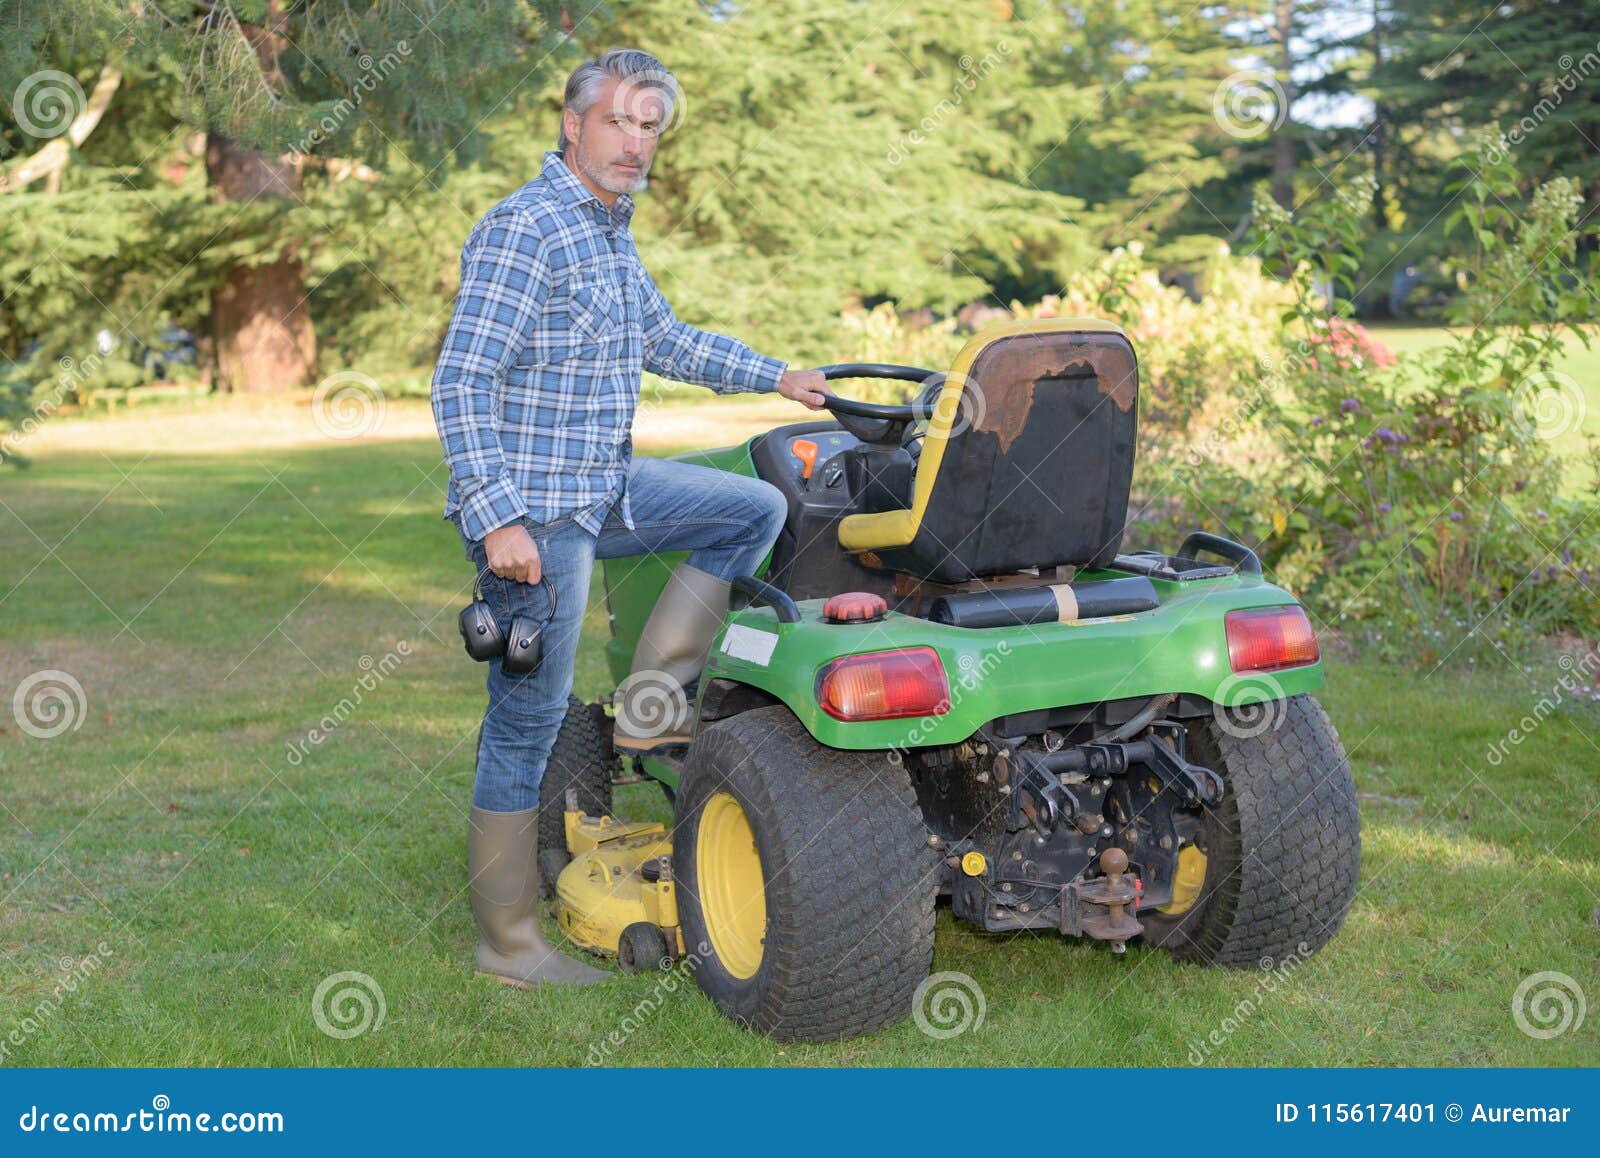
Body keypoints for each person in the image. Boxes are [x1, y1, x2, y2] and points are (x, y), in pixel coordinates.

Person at [430, 48, 827, 987]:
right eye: (618, 121)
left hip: (602, 486)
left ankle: (650, 708)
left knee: (754, 507)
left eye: (650, 127)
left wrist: (777, 376)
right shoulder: (525, 229)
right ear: (573, 125)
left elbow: (667, 339)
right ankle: (510, 945)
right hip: (536, 516)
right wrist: (498, 522)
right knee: (526, 722)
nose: (635, 143)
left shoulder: (609, 231)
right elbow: (460, 380)